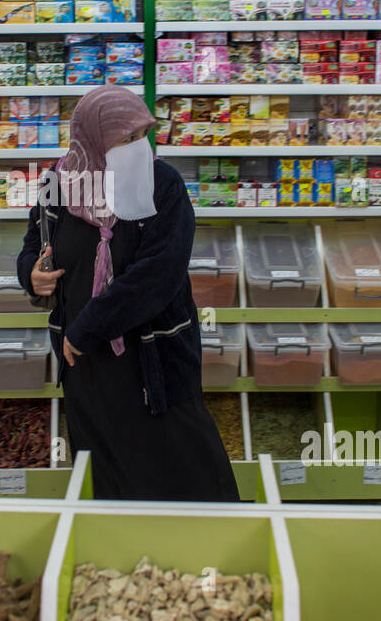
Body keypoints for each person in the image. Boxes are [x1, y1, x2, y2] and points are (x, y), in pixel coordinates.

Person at [16, 85, 239, 502]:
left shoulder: (163, 186)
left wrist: (89, 327)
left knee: (186, 471)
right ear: (93, 140)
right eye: (125, 139)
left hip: (153, 360)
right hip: (86, 368)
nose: (138, 148)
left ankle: (209, 559)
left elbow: (158, 275)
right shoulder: (56, 182)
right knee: (110, 476)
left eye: (142, 136)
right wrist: (30, 275)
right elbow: (33, 240)